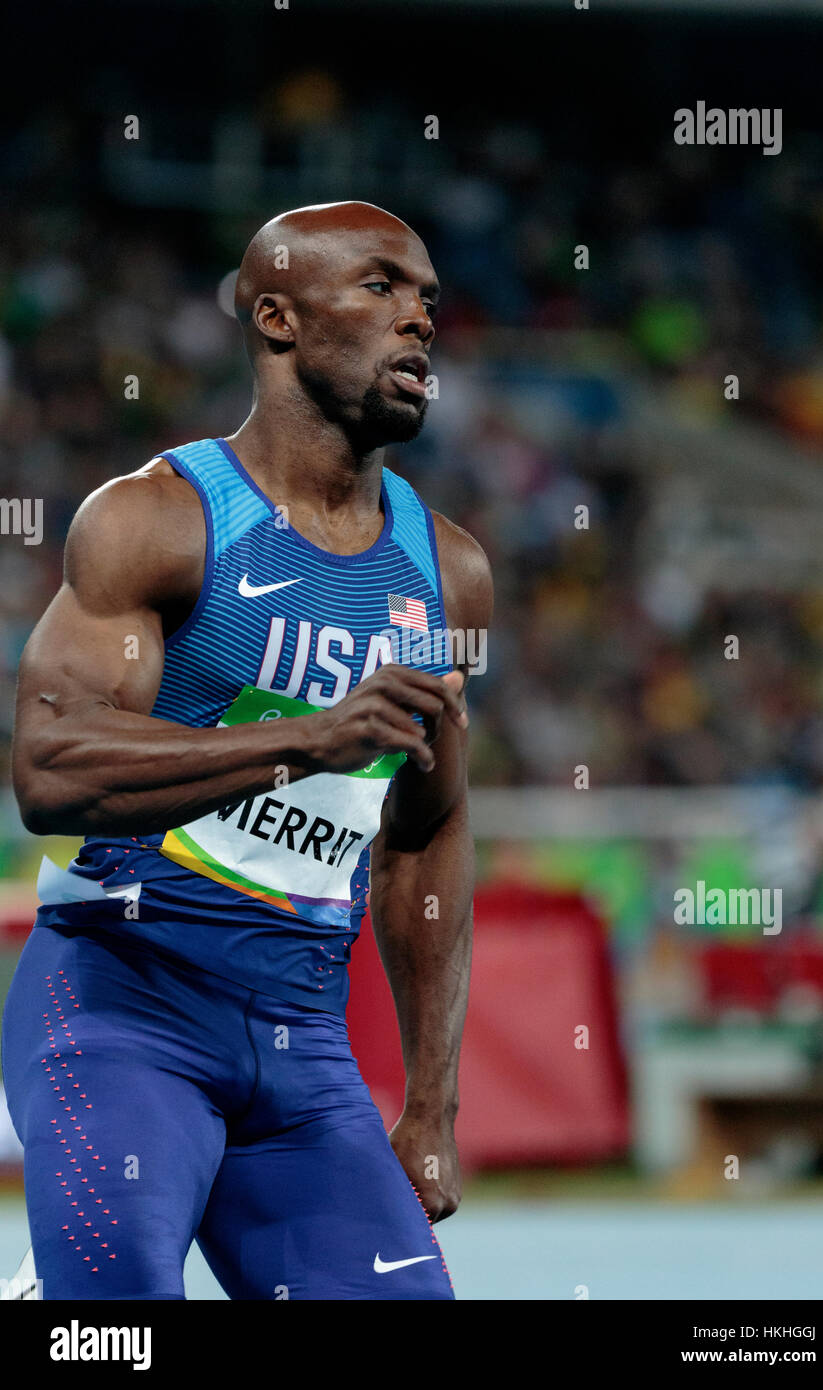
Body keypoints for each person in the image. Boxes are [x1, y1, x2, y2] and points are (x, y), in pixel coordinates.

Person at [2, 201, 493, 1300]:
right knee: (117, 1304)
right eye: (379, 287)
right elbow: (51, 770)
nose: (418, 318)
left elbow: (432, 825)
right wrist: (310, 738)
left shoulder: (447, 572)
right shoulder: (156, 522)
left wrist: (428, 1103)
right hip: (119, 1008)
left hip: (301, 1044)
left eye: (427, 299)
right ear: (275, 317)